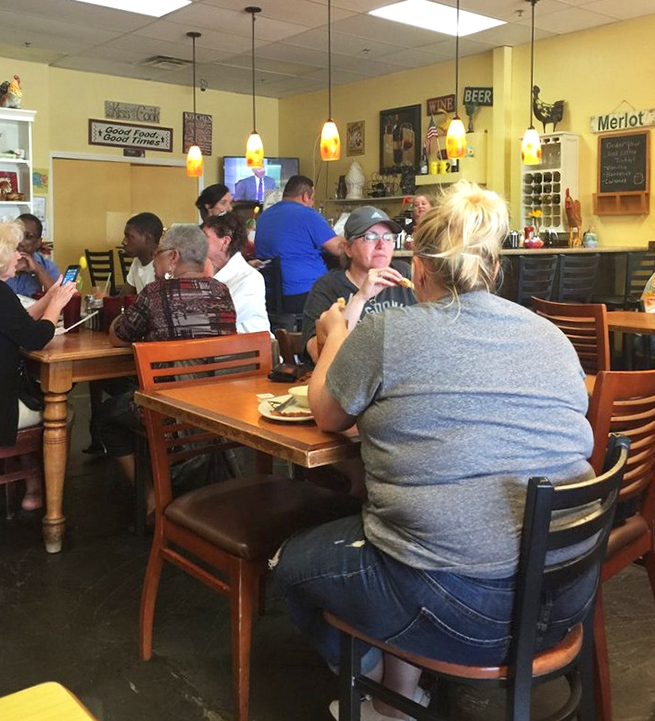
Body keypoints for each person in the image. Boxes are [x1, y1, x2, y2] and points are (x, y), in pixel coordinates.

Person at [273, 181, 597, 721]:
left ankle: (382, 694)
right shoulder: (552, 336)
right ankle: (400, 688)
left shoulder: (390, 331)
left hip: (460, 612)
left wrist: (334, 334)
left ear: (418, 266)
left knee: (292, 565)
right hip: (565, 596)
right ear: (494, 269)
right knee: (411, 533)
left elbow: (327, 414)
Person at [95, 225, 236, 507]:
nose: (155, 260)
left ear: (173, 256)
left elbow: (118, 337)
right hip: (219, 405)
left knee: (105, 417)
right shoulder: (222, 291)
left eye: (158, 253)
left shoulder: (155, 292)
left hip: (170, 410)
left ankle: (152, 498)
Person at [0, 220, 77, 512]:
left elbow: (14, 323)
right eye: (12, 250)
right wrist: (56, 305)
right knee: (60, 410)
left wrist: (48, 298)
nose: (18, 256)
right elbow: (33, 339)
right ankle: (45, 493)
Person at [301, 206, 416, 363]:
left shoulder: (405, 275)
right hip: (349, 380)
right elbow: (317, 354)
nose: (381, 244)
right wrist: (360, 297)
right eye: (370, 237)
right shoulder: (327, 287)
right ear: (348, 249)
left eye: (388, 237)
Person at [254, 175, 344, 314]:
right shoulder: (308, 214)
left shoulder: (264, 216)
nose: (312, 203)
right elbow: (339, 249)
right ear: (305, 197)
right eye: (312, 198)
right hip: (303, 293)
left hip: (269, 293)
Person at [203, 212, 270, 334]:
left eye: (204, 238)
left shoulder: (250, 279)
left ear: (225, 242)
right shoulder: (206, 271)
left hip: (254, 349)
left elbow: (220, 320)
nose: (199, 243)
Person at [6, 214, 60, 297]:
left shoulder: (48, 267)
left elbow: (58, 297)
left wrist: (38, 270)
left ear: (38, 242)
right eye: (17, 234)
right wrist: (8, 270)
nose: (20, 242)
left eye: (28, 237)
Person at [120, 212, 163, 295]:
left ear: (147, 239)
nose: (124, 242)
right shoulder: (137, 262)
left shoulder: (162, 268)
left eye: (129, 237)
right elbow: (123, 297)